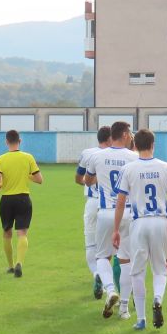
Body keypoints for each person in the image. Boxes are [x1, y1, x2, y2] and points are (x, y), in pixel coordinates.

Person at [113, 129, 167, 330]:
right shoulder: (165, 167)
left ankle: (141, 319)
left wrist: (116, 229)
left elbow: (121, 202)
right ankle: (157, 299)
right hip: (161, 221)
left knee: (137, 271)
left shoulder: (129, 169)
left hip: (138, 223)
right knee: (160, 269)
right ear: (153, 144)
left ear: (135, 146)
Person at [84, 121, 139, 319]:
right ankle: (124, 309)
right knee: (126, 260)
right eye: (130, 133)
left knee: (102, 257)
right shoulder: (134, 158)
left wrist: (101, 178)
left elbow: (87, 181)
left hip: (106, 212)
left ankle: (110, 289)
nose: (132, 136)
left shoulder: (97, 156)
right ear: (124, 134)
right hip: (129, 213)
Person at [0, 129, 43, 277]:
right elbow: (39, 180)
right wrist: (27, 175)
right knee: (22, 233)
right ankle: (19, 262)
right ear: (20, 141)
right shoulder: (28, 158)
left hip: (6, 199)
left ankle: (10, 266)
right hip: (23, 199)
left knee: (7, 232)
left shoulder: (0, 159)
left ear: (6, 142)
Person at [76, 126, 111, 298]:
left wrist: (91, 181)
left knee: (91, 243)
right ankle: (107, 280)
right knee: (108, 246)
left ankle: (96, 273)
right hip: (109, 206)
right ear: (110, 138)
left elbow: (78, 179)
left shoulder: (87, 153)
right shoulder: (119, 155)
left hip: (91, 203)